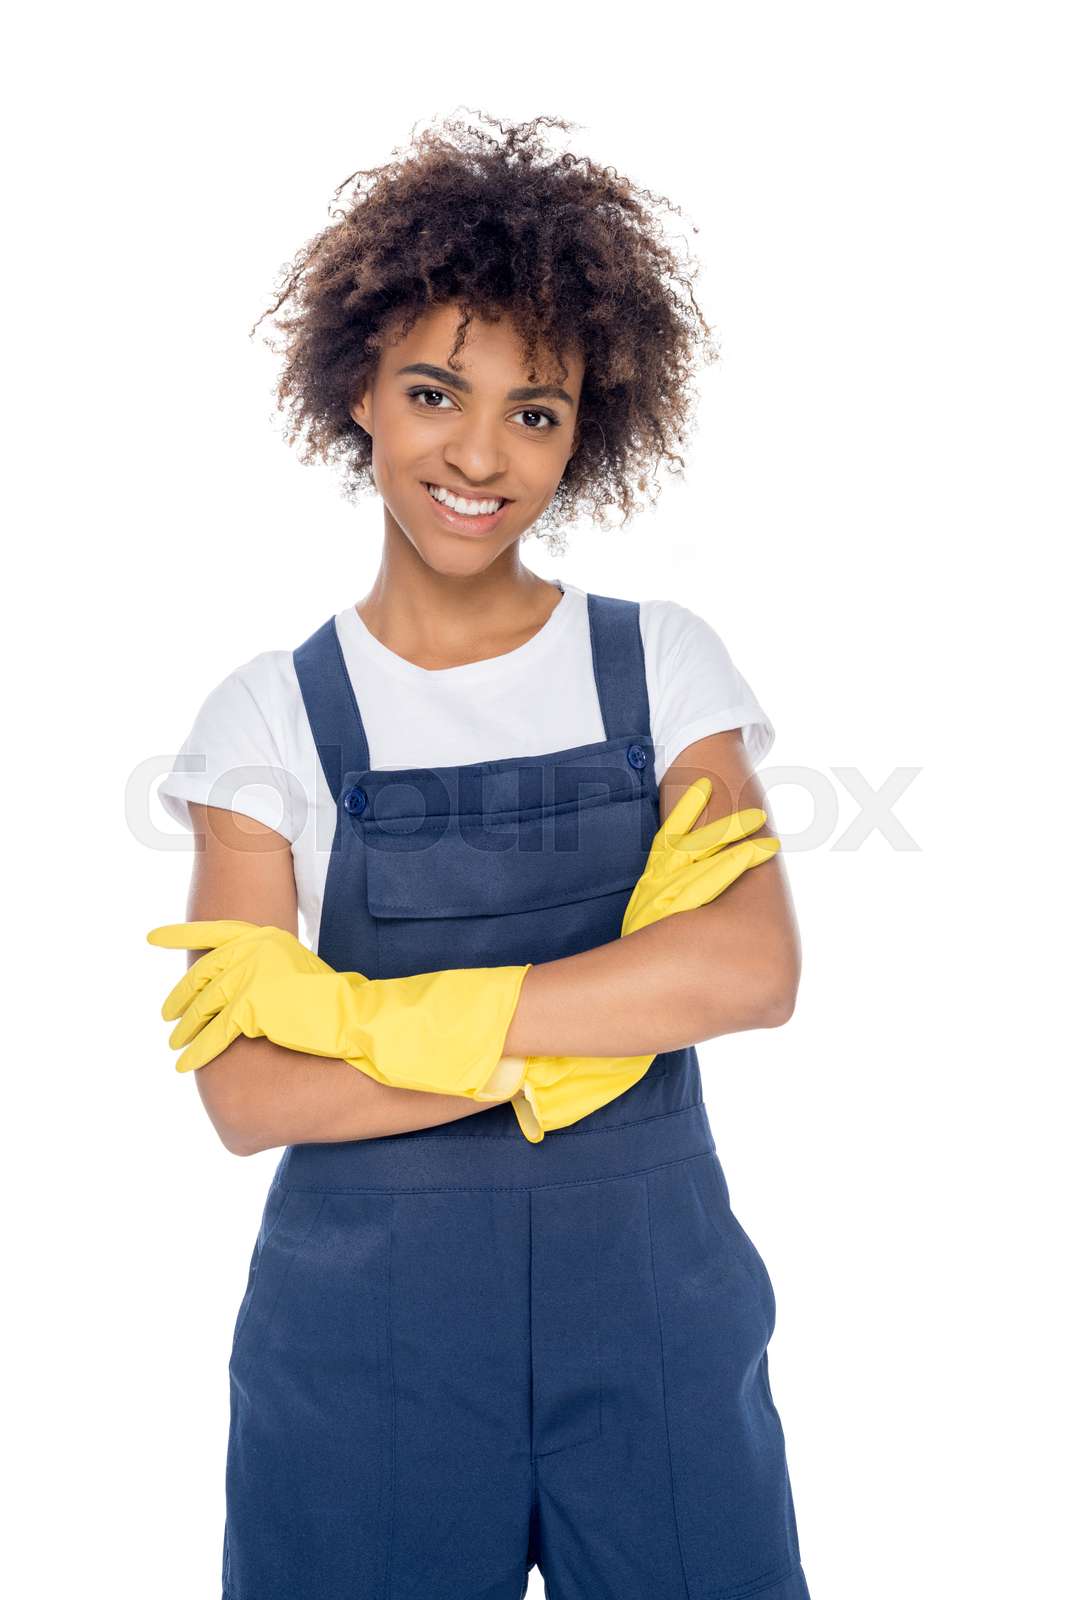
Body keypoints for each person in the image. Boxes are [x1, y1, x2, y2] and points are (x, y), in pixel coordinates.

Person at [151, 112, 810, 1600]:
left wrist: (377, 1016)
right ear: (360, 397)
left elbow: (749, 967)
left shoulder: (663, 672)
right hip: (361, 1342)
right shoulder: (267, 716)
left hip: (653, 1309)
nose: (479, 454)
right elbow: (249, 1093)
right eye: (436, 392)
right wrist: (595, 1025)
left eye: (537, 411)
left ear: (587, 435)